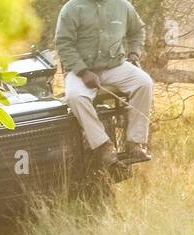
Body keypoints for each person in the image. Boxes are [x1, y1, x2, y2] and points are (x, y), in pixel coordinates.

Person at [55, 0, 153, 167]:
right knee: (75, 96)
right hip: (81, 70)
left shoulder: (122, 5)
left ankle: (135, 143)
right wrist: (83, 71)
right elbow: (64, 44)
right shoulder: (72, 8)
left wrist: (134, 54)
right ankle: (103, 146)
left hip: (115, 66)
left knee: (144, 82)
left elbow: (137, 31)